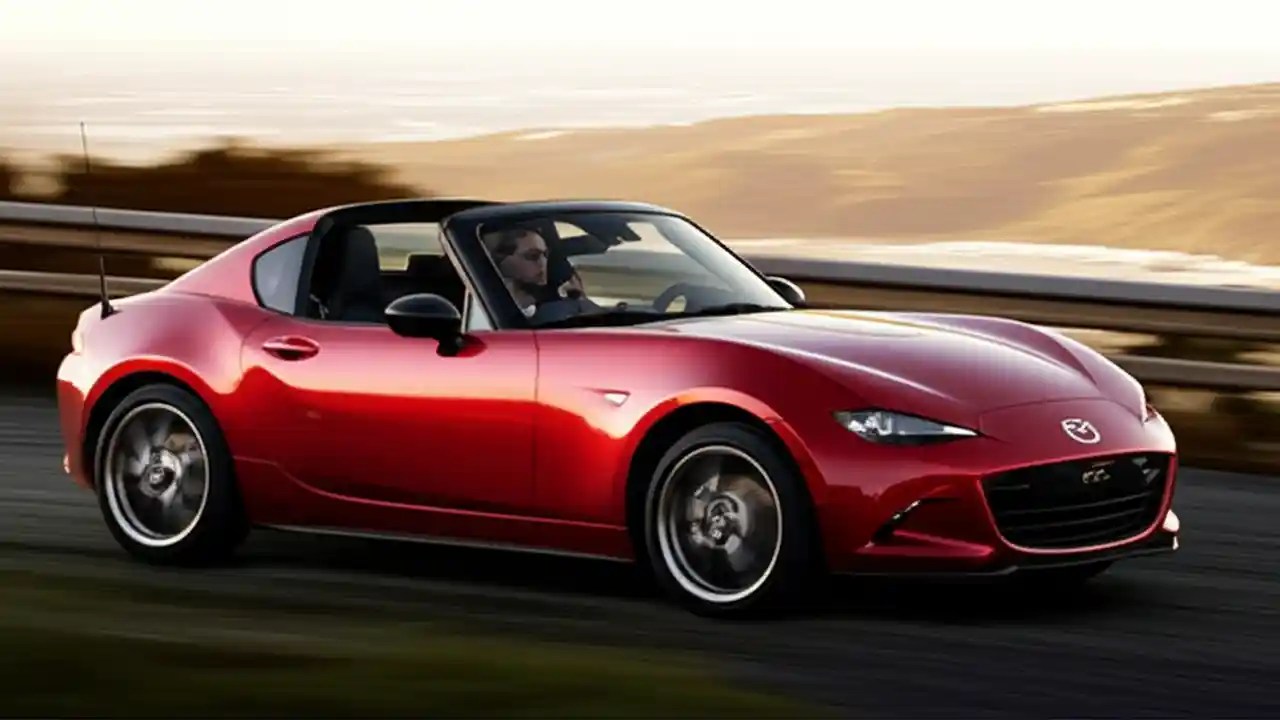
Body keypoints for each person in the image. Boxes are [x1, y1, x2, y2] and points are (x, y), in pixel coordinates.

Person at [483, 225, 592, 317]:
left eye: (546, 255)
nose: (543, 264)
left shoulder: (562, 304)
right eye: (532, 256)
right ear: (501, 261)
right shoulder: (488, 308)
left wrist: (579, 299)